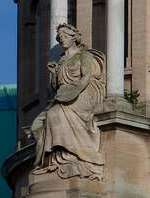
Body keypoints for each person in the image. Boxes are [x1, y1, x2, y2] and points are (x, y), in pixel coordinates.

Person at [31, 24, 106, 180]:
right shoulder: (62, 60)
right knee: (36, 125)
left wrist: (73, 92)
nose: (62, 39)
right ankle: (52, 160)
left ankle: (70, 157)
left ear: (74, 38)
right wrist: (54, 74)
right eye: (60, 37)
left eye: (65, 36)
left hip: (80, 94)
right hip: (63, 96)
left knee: (55, 114)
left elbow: (86, 77)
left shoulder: (83, 56)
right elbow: (55, 87)